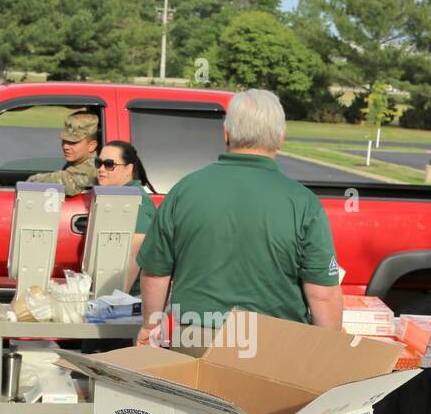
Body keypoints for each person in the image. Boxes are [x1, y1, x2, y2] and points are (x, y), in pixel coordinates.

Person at [134, 89, 343, 346]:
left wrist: (150, 325)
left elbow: (155, 272)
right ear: (281, 138)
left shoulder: (183, 191)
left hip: (195, 339)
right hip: (276, 344)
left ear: (226, 134)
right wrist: (332, 351)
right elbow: (323, 294)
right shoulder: (303, 203)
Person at [92, 140, 157, 295]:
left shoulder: (135, 203)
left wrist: (114, 301)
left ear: (128, 168)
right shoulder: (120, 199)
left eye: (109, 164)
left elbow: (133, 255)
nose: (101, 169)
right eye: (98, 163)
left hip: (132, 297)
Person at [27, 111, 99, 197]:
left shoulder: (94, 166)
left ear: (91, 146)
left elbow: (68, 183)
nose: (65, 146)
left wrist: (32, 181)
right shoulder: (78, 161)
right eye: (64, 141)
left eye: (73, 142)